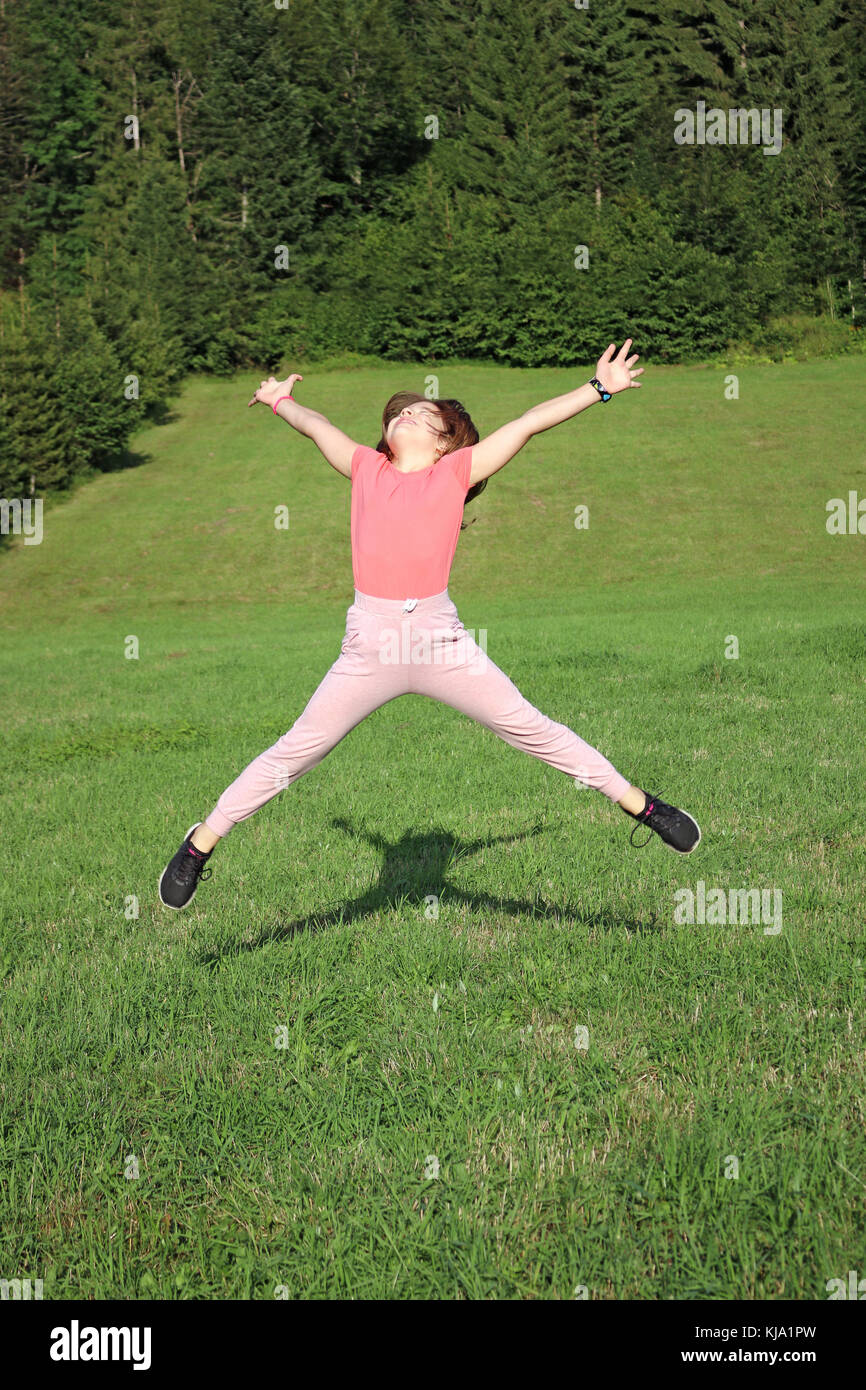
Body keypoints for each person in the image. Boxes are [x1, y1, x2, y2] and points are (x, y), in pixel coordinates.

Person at [159, 339, 700, 910]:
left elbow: (529, 423)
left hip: (442, 642)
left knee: (532, 729)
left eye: (421, 413)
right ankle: (200, 844)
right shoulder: (365, 468)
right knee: (297, 751)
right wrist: (279, 401)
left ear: (446, 441)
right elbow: (317, 427)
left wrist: (597, 390)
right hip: (370, 644)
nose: (403, 414)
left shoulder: (457, 472)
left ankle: (643, 806)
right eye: (400, 412)